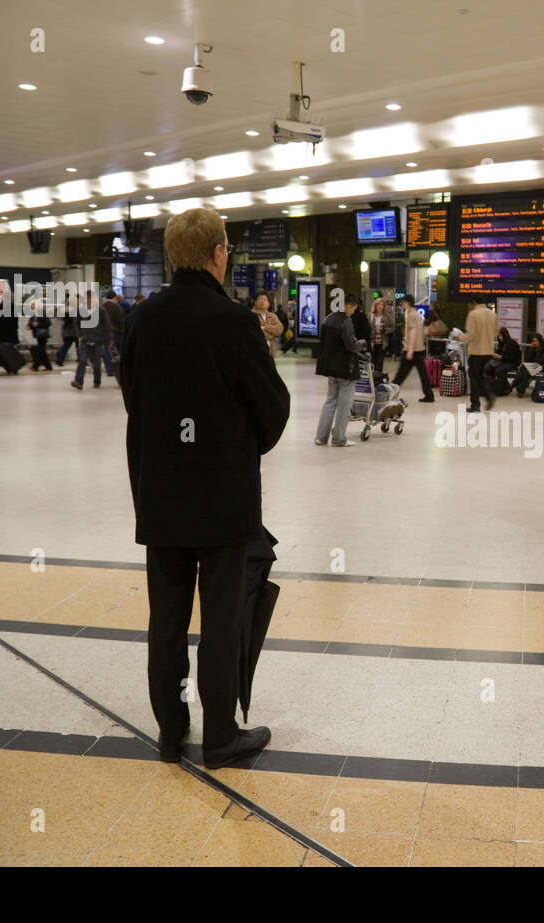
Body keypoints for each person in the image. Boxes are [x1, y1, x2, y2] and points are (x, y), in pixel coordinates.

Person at [119, 207, 291, 770]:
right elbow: (273, 408)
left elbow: (133, 398)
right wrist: (240, 448)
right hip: (223, 498)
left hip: (161, 494)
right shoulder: (233, 321)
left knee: (165, 618)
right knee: (221, 620)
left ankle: (171, 733)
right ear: (219, 253)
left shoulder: (142, 319)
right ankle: (220, 736)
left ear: (172, 256)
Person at [314, 294, 365, 447]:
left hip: (330, 368)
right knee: (344, 405)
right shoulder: (346, 321)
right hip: (345, 369)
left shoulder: (328, 319)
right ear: (348, 305)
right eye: (353, 308)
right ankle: (339, 438)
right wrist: (361, 343)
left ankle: (320, 437)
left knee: (330, 402)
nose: (354, 311)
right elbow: (351, 345)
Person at [392, 296, 435, 402]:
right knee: (422, 374)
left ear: (407, 303)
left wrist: (410, 349)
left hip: (412, 350)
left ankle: (390, 393)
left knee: (401, 374)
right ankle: (429, 395)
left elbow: (412, 331)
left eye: (403, 302)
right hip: (419, 349)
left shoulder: (411, 315)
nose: (402, 304)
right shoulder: (416, 314)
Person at [461, 296, 497, 412]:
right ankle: (488, 396)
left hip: (476, 351)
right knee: (481, 376)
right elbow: (496, 332)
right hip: (488, 351)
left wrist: (460, 338)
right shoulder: (492, 314)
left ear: (474, 302)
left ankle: (475, 405)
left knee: (474, 378)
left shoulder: (473, 314)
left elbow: (471, 334)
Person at [70, 291, 108, 390]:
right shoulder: (81, 310)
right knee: (82, 360)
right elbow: (76, 324)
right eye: (87, 299)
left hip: (97, 340)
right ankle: (79, 381)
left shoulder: (101, 311)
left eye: (91, 298)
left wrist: (107, 337)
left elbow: (107, 325)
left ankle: (97, 381)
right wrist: (80, 335)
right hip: (84, 339)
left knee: (96, 363)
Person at [485, 327, 521, 406]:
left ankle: (504, 387)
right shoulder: (502, 343)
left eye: (500, 336)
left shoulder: (511, 343)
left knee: (499, 370)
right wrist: (495, 355)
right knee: (489, 368)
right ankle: (493, 387)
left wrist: (500, 357)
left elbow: (511, 357)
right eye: (499, 336)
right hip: (503, 361)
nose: (499, 337)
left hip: (513, 362)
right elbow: (500, 353)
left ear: (505, 335)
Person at [515, 332, 544, 398]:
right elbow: (527, 360)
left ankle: (516, 386)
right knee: (525, 368)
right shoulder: (533, 348)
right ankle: (520, 390)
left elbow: (540, 361)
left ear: (540, 341)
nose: (535, 343)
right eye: (534, 341)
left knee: (525, 369)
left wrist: (535, 353)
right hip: (533, 366)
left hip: (542, 367)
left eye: (537, 341)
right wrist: (531, 349)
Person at [27, 302, 53, 371]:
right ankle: (48, 366)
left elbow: (48, 323)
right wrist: (29, 326)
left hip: (43, 335)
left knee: (40, 351)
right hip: (37, 335)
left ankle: (36, 366)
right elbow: (31, 323)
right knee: (42, 351)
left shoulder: (43, 313)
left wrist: (38, 324)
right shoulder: (34, 314)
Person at [55, 301, 80, 365]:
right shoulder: (75, 311)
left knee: (66, 346)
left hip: (66, 331)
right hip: (73, 331)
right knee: (78, 346)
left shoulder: (64, 311)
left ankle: (59, 358)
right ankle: (59, 360)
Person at [369, 298, 388, 372]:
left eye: (381, 304)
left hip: (382, 343)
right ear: (375, 305)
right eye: (378, 304)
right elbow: (367, 327)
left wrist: (385, 329)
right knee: (373, 362)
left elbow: (392, 327)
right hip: (372, 342)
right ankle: (373, 380)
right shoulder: (371, 315)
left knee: (380, 362)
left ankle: (379, 379)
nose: (380, 306)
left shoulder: (386, 316)